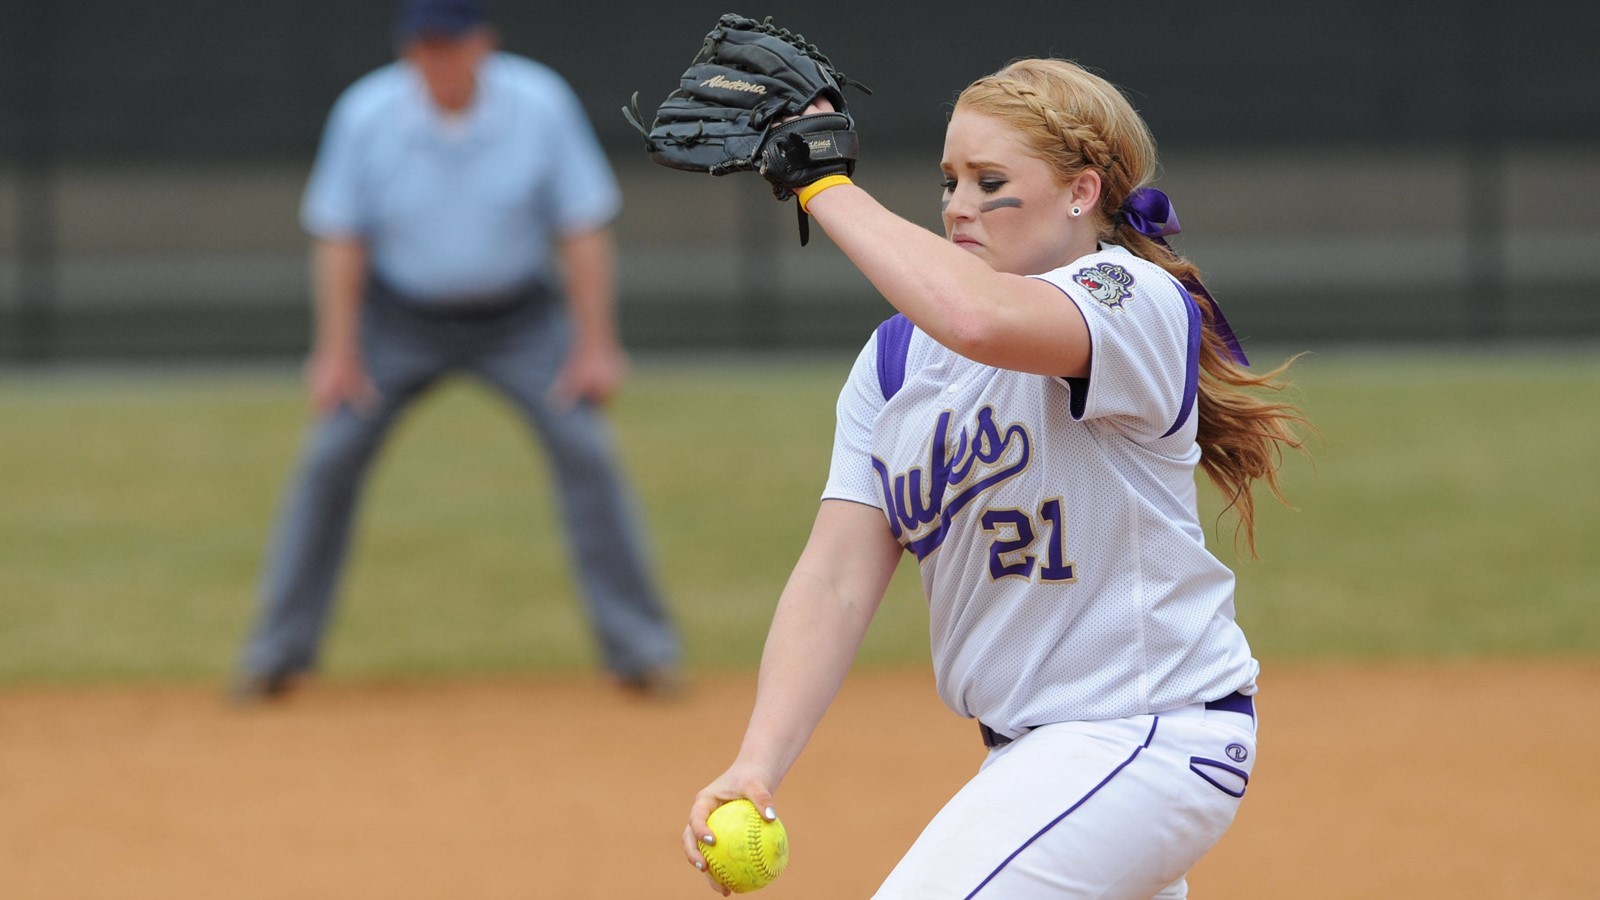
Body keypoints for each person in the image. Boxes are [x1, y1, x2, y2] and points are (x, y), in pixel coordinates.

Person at [682, 58, 1310, 897]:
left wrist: (823, 185)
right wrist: (755, 762)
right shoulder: (897, 360)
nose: (958, 205)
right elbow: (834, 579)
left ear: (1082, 192)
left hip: (1139, 735)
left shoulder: (1134, 300)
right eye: (949, 180)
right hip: (1040, 763)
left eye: (990, 180)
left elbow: (978, 317)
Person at [231, 0, 682, 703]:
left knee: (588, 454)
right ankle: (276, 656)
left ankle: (642, 652)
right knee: (328, 460)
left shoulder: (538, 103)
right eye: (422, 45)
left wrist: (594, 344)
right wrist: (337, 351)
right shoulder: (367, 113)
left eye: (449, 43)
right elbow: (341, 238)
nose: (435, 59)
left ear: (483, 45)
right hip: (397, 323)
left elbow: (583, 227)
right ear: (406, 49)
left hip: (522, 321)